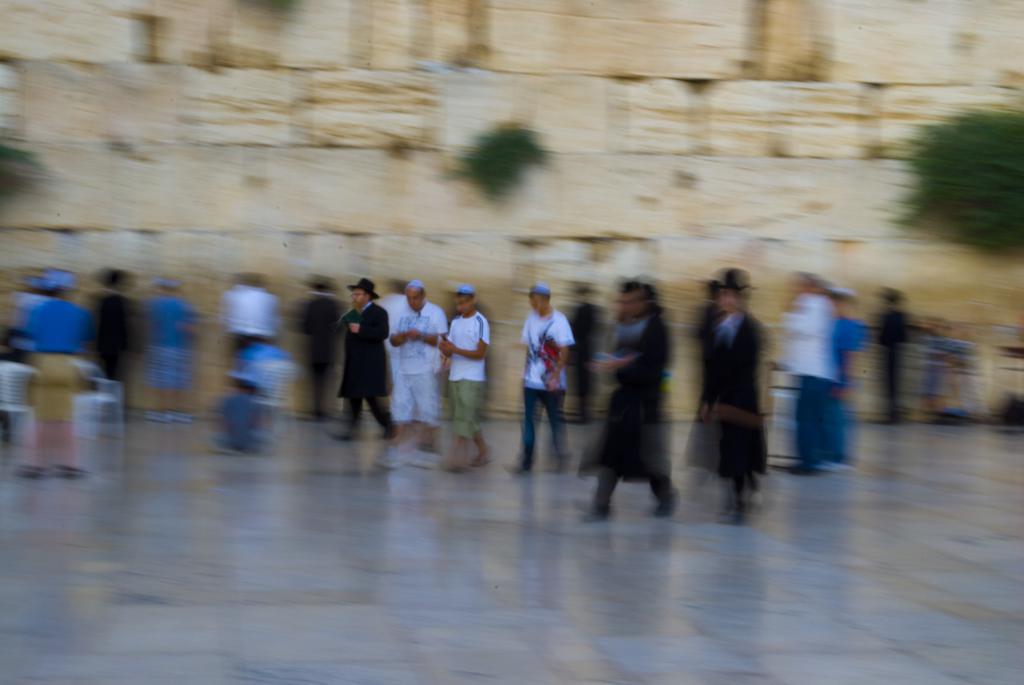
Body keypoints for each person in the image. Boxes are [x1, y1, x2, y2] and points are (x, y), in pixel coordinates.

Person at [587, 281, 676, 520]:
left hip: (646, 405)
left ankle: (666, 496)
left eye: (630, 301)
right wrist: (613, 365)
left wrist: (622, 366)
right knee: (611, 455)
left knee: (650, 460)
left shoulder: (657, 328)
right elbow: (617, 359)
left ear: (644, 302)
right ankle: (601, 505)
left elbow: (656, 369)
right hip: (623, 403)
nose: (625, 306)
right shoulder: (623, 326)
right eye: (623, 301)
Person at [701, 269, 767, 523]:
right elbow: (712, 368)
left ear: (740, 298)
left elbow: (743, 368)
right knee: (731, 451)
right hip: (726, 400)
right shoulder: (719, 328)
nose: (727, 300)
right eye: (723, 295)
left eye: (731, 295)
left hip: (743, 399)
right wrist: (708, 400)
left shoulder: (750, 329)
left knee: (738, 451)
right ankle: (743, 492)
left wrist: (729, 397)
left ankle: (738, 504)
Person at [19, 273, 94, 479]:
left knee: (40, 418)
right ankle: (69, 465)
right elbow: (85, 340)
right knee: (66, 418)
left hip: (43, 362)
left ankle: (35, 465)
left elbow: (29, 335)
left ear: (47, 289)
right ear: (68, 291)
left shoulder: (37, 310)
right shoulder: (79, 312)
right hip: (67, 363)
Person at [384, 280, 448, 468]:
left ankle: (431, 450)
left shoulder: (436, 312)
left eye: (415, 298)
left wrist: (420, 335)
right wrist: (402, 336)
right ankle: (395, 450)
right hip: (404, 369)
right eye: (409, 298)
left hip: (426, 370)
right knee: (400, 409)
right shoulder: (402, 312)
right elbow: (393, 340)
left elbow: (443, 342)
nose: (412, 302)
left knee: (428, 411)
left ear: (423, 296)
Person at [513, 282, 575, 473]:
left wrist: (556, 376)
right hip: (531, 382)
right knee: (529, 421)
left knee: (555, 420)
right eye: (532, 303)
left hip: (552, 384)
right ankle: (526, 460)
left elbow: (565, 350)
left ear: (546, 300)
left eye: (537, 303)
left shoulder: (560, 321)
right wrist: (524, 376)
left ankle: (561, 455)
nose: (534, 307)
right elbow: (529, 349)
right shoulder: (530, 319)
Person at [783, 272, 837, 475]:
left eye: (797, 286)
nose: (794, 290)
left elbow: (800, 329)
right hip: (810, 372)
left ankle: (808, 461)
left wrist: (792, 312)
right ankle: (807, 459)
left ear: (807, 286)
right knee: (807, 418)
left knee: (806, 418)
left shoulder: (814, 303)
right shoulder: (814, 304)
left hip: (812, 373)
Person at [440, 284, 491, 470]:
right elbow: (450, 350)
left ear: (473, 300)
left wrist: (454, 350)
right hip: (455, 376)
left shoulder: (481, 322)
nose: (460, 307)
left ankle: (456, 458)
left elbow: (480, 354)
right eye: (458, 303)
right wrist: (444, 350)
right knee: (466, 419)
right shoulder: (455, 322)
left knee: (463, 419)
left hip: (473, 377)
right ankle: (484, 451)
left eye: (463, 303)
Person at [337, 278, 393, 440]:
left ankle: (387, 424)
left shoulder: (379, 312)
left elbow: (383, 333)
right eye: (353, 294)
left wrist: (361, 329)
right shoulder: (352, 313)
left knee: (371, 398)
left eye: (357, 294)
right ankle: (351, 430)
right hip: (354, 363)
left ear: (367, 296)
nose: (354, 297)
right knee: (353, 397)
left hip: (370, 364)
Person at [824, 288, 866, 470]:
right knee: (832, 417)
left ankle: (838, 457)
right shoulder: (835, 323)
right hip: (830, 376)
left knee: (838, 419)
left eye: (834, 304)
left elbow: (851, 355)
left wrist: (844, 381)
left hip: (840, 377)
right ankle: (831, 453)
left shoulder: (851, 325)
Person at [144, 278, 196, 423]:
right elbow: (190, 329)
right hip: (179, 347)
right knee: (180, 379)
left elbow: (150, 325)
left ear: (162, 288)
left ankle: (161, 411)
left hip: (158, 346)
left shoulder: (154, 305)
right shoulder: (185, 306)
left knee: (161, 379)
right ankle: (179, 412)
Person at [298, 277, 341, 421]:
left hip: (313, 349)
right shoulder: (334, 305)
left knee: (315, 381)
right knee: (328, 380)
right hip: (329, 348)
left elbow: (305, 327)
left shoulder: (310, 304)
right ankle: (327, 410)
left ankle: (317, 411)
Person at [221, 273, 279, 359]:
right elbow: (275, 321)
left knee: (242, 362)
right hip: (262, 336)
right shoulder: (270, 298)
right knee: (261, 361)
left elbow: (226, 317)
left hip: (240, 334)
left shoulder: (234, 295)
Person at [95, 268, 133, 382]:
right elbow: (125, 326)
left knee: (104, 375)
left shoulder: (102, 301)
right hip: (118, 346)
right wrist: (128, 346)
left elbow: (99, 325)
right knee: (117, 376)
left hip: (103, 345)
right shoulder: (123, 302)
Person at [215, 373, 268, 454]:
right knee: (263, 435)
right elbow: (256, 422)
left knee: (218, 437)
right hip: (250, 444)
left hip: (231, 443)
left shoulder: (227, 400)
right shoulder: (255, 402)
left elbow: (223, 423)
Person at [877, 288, 908, 423]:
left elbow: (881, 338)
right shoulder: (902, 316)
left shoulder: (885, 316)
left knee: (888, 384)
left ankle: (890, 414)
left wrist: (885, 341)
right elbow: (904, 337)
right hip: (898, 352)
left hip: (888, 352)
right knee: (896, 383)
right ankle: (895, 414)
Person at [571, 284, 598, 424]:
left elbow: (575, 329)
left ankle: (582, 415)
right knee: (586, 383)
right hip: (589, 349)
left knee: (581, 383)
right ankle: (585, 413)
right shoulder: (594, 310)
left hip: (581, 350)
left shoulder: (581, 310)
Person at [378, 279, 410, 391]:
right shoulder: (410, 304)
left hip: (385, 346)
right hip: (403, 348)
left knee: (388, 379)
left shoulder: (386, 301)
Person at [695, 279, 721, 407]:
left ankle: (704, 409)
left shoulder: (705, 310)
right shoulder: (720, 311)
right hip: (717, 356)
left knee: (707, 385)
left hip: (706, 355)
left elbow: (698, 333)